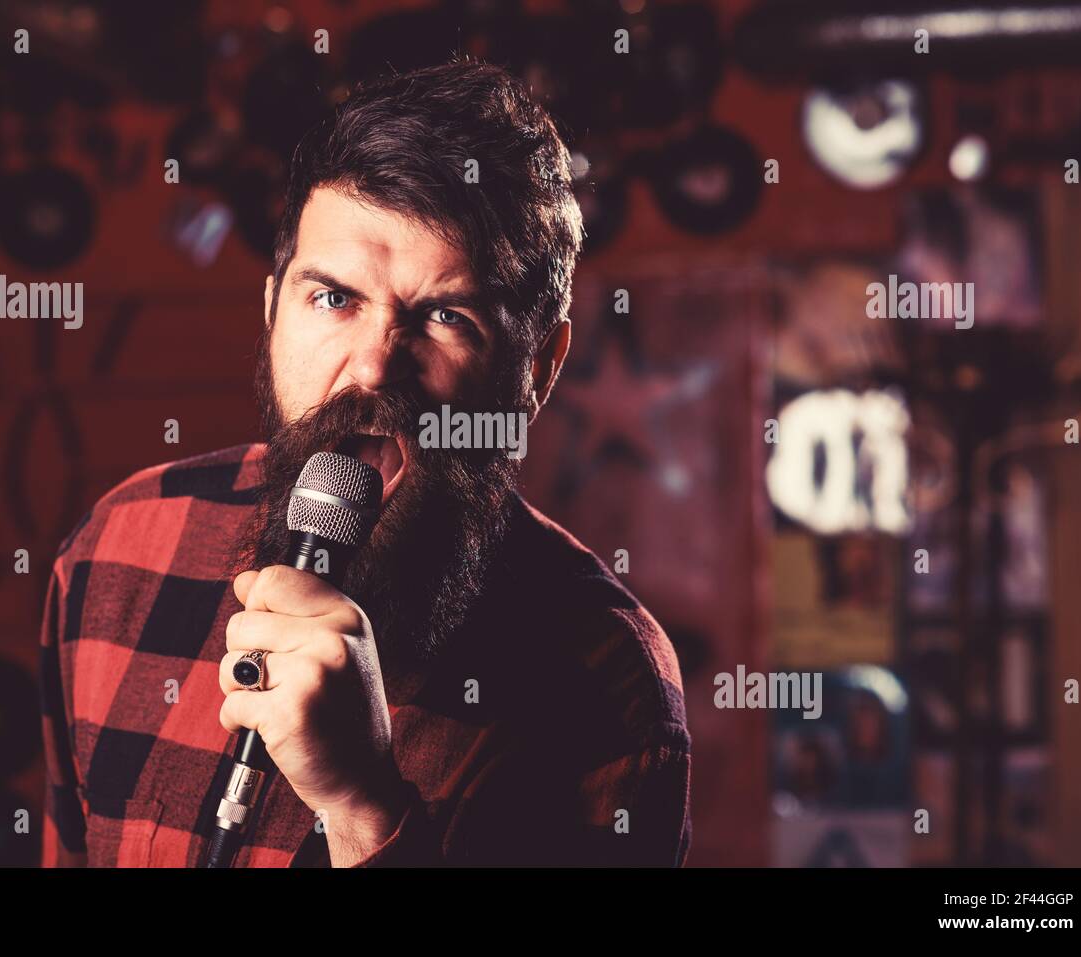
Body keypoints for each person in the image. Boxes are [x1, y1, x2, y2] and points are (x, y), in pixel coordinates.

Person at [40, 57, 691, 867]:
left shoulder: (606, 680)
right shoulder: (121, 549)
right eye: (333, 298)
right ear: (273, 308)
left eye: (446, 315)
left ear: (540, 365)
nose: (377, 364)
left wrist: (360, 805)